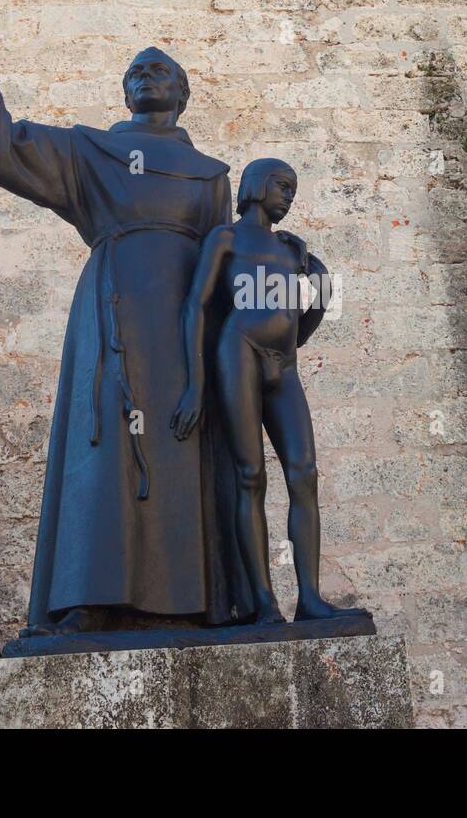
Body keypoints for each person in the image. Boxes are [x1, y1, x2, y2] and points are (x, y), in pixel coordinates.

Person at [0, 0, 251, 635]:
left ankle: (195, 598)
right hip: (112, 310)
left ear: (183, 94)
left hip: (185, 323)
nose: (147, 75)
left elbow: (225, 264)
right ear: (125, 92)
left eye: (160, 69)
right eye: (136, 70)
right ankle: (91, 594)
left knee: (184, 440)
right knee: (106, 440)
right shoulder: (89, 152)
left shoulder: (212, 175)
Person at [172, 158, 369, 625]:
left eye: (293, 191)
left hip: (284, 364)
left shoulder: (289, 248)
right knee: (251, 475)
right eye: (283, 186)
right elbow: (195, 307)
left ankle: (310, 597)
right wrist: (195, 384)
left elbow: (316, 306)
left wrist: (314, 275)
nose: (288, 196)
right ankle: (262, 600)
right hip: (237, 352)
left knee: (304, 474)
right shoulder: (226, 238)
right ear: (257, 185)